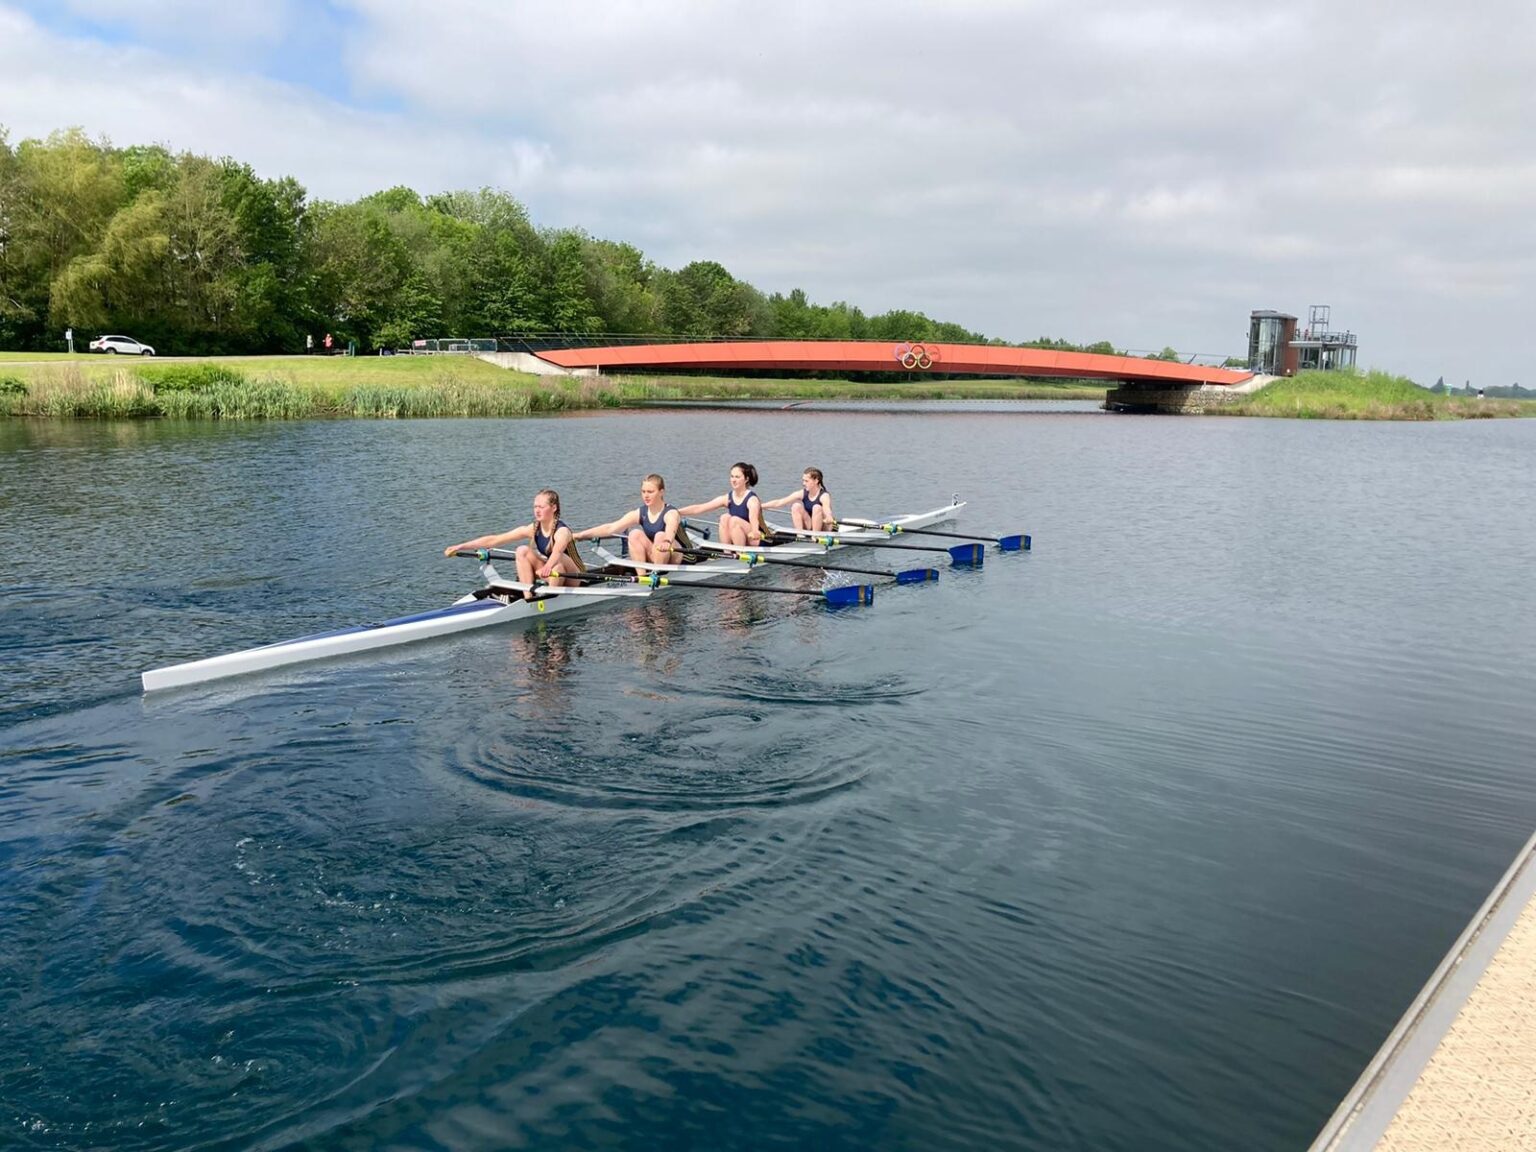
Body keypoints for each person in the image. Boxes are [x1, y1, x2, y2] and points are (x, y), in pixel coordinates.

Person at [443, 489, 584, 599]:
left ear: (553, 508)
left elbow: (558, 552)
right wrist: (460, 546)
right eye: (535, 506)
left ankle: (552, 599)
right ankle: (528, 597)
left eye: (541, 506)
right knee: (522, 550)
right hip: (552, 573)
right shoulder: (533, 528)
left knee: (558, 562)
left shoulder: (562, 531)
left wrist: (547, 567)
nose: (537, 510)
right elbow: (495, 540)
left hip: (574, 577)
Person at [573, 474, 692, 570]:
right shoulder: (640, 512)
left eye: (650, 492)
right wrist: (580, 535)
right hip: (658, 555)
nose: (646, 496)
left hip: (683, 556)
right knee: (634, 534)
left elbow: (670, 529)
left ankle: (656, 573)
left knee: (660, 535)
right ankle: (642, 577)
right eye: (643, 492)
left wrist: (667, 541)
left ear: (661, 492)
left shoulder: (671, 513)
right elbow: (611, 528)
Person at [678, 462, 764, 548]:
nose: (733, 480)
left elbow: (754, 520)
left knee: (734, 520)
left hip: (756, 540)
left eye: (737, 477)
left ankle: (740, 553)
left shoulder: (752, 500)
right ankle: (727, 552)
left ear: (746, 479)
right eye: (732, 476)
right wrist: (677, 512)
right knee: (724, 518)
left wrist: (755, 531)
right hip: (739, 537)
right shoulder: (728, 498)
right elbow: (700, 508)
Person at [762, 467, 834, 531]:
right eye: (803, 480)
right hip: (810, 525)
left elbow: (826, 508)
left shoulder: (824, 496)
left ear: (816, 481)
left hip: (824, 528)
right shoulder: (802, 493)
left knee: (817, 507)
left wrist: (828, 516)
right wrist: (761, 506)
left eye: (806, 481)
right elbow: (780, 502)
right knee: (796, 506)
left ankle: (816, 536)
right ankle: (800, 535)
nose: (803, 483)